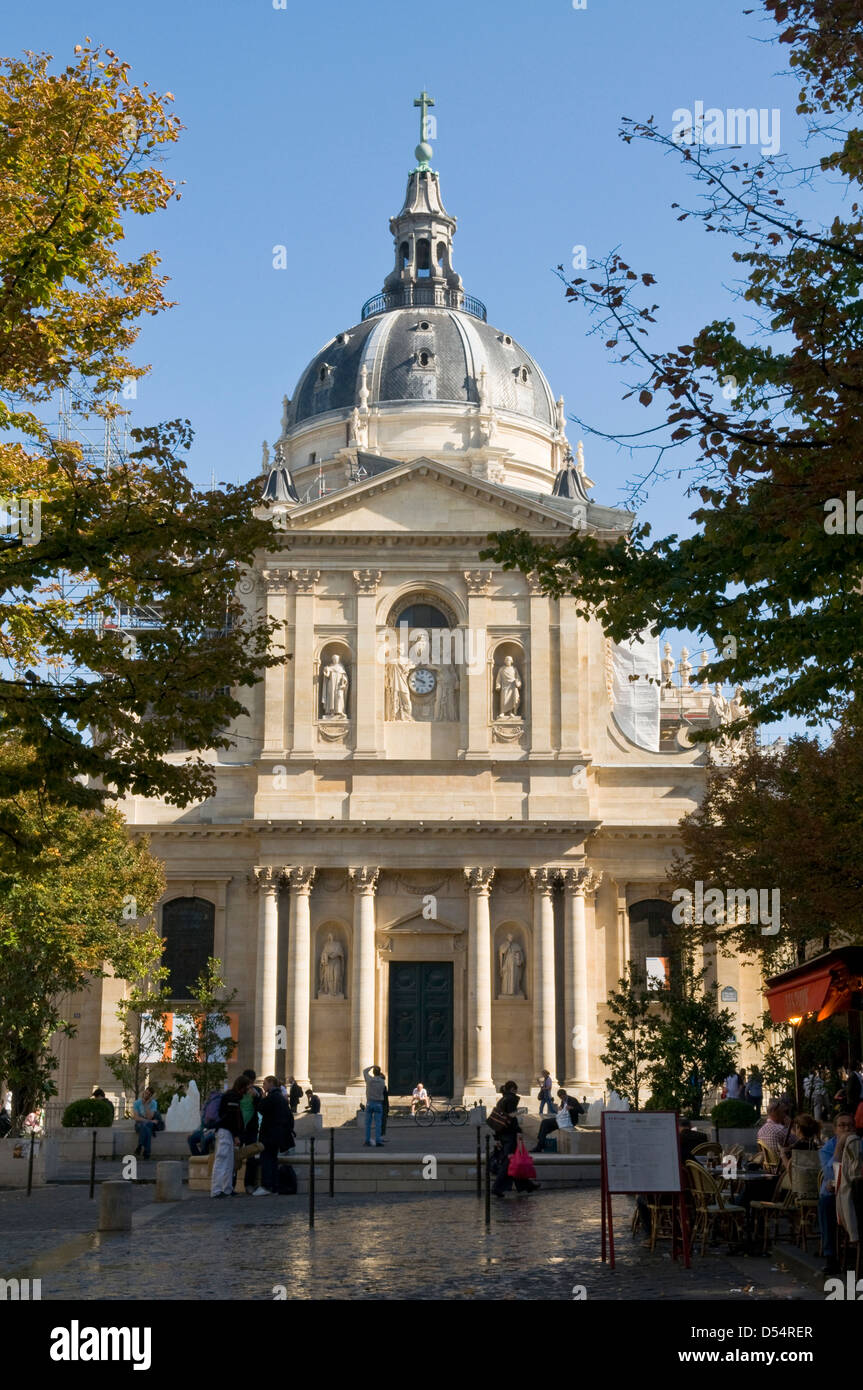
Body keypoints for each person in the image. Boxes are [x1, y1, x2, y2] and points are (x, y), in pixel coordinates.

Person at [819, 1113, 856, 1276]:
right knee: (826, 1204)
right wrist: (840, 1146)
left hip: (855, 1193)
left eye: (849, 1125)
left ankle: (854, 1251)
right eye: (842, 1125)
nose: (846, 1129)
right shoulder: (828, 1147)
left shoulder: (859, 1145)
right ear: (835, 1129)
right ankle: (830, 1257)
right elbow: (829, 1174)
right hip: (833, 1194)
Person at [490, 1082, 538, 1197]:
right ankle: (497, 1187)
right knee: (509, 1162)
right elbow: (511, 1118)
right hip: (509, 1135)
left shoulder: (501, 1100)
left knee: (514, 1160)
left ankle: (527, 1186)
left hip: (502, 1134)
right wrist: (518, 1132)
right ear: (513, 1089)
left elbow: (498, 1119)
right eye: (516, 1090)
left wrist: (497, 1137)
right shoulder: (511, 1099)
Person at [252, 1076, 294, 1195]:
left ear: (271, 1083)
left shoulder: (273, 1097)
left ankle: (267, 1186)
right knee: (272, 1160)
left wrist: (258, 1097)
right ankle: (274, 1187)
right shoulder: (280, 1097)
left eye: (265, 1083)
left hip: (270, 1134)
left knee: (266, 1159)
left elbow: (261, 1108)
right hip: (277, 1134)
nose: (263, 1086)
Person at [211, 1075, 249, 1199]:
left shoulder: (232, 1096)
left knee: (228, 1162)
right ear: (242, 1087)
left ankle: (227, 1189)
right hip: (226, 1132)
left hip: (227, 1133)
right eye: (247, 1088)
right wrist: (236, 1135)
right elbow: (231, 1119)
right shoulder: (232, 1098)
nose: (248, 1091)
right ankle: (217, 1190)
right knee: (222, 1161)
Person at [239, 1069, 263, 1193]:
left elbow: (261, 1108)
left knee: (251, 1158)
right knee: (234, 1157)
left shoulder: (257, 1092)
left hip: (251, 1129)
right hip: (238, 1130)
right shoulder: (238, 1092)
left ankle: (249, 1184)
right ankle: (230, 1185)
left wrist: (257, 1097)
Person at [188, 1087, 220, 1156]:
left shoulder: (217, 1102)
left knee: (203, 1139)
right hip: (205, 1130)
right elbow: (203, 1123)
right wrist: (196, 1131)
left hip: (214, 1130)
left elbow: (213, 1119)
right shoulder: (207, 1104)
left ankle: (202, 1158)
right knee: (191, 1138)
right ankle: (198, 1158)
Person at [133, 1087, 159, 1160]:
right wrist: (149, 1121)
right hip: (139, 1125)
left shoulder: (154, 1103)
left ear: (151, 1096)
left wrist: (146, 1105)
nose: (145, 1095)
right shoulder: (137, 1103)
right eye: (145, 1092)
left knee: (146, 1127)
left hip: (147, 1124)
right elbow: (136, 1118)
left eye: (148, 1094)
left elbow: (150, 1117)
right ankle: (146, 1151)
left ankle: (140, 1146)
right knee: (146, 1128)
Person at [363, 1064, 386, 1147]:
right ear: (379, 1073)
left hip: (369, 1102)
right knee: (378, 1124)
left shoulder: (369, 1080)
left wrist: (372, 1066)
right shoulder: (382, 1081)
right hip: (378, 1103)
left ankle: (367, 1140)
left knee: (368, 1124)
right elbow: (383, 1078)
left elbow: (364, 1071)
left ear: (373, 1072)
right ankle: (378, 1140)